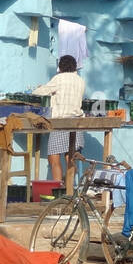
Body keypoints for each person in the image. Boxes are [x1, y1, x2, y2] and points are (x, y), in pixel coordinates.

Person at [33, 55, 85, 183]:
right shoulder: (80, 80)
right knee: (70, 157)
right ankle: (69, 189)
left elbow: (39, 92)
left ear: (60, 67)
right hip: (76, 121)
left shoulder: (59, 78)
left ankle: (57, 189)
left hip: (61, 121)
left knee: (53, 158)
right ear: (74, 67)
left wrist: (38, 88)